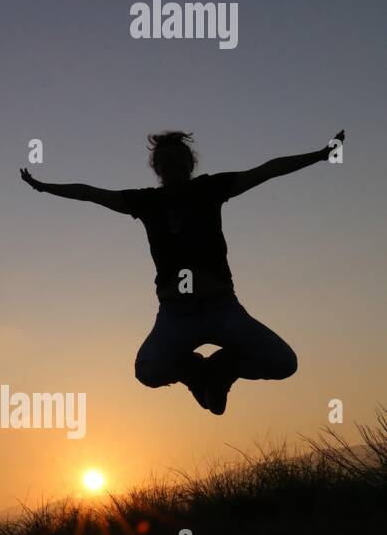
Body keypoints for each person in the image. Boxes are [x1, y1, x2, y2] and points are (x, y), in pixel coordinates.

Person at [19, 130, 343, 414]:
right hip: (176, 315)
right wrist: (45, 187)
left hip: (222, 308)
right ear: (157, 169)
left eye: (178, 159)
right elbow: (91, 193)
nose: (172, 165)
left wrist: (319, 155)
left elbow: (267, 171)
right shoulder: (145, 202)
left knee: (284, 363)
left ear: (190, 164)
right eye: (165, 161)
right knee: (148, 370)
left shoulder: (211, 188)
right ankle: (196, 374)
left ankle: (222, 368)